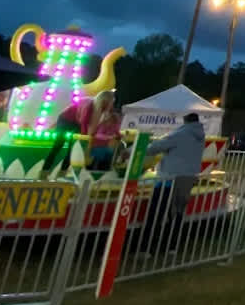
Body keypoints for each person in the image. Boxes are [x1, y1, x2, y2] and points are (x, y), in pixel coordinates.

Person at [139, 111, 206, 257]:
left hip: (169, 179)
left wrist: (134, 151)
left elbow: (156, 147)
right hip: (187, 179)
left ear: (185, 120)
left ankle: (146, 248)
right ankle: (171, 247)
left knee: (156, 214)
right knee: (176, 215)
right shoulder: (200, 135)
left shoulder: (180, 134)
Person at [40, 90, 113, 179]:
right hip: (65, 119)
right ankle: (44, 172)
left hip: (76, 122)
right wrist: (85, 139)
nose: (109, 105)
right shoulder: (89, 105)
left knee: (72, 149)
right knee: (58, 145)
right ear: (103, 100)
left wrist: (89, 138)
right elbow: (84, 122)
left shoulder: (101, 109)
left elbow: (91, 127)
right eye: (108, 103)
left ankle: (61, 174)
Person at [88, 105, 123, 172]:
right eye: (112, 121)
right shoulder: (103, 125)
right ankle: (94, 169)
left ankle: (105, 169)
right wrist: (110, 137)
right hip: (97, 145)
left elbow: (117, 133)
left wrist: (119, 136)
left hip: (105, 146)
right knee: (100, 155)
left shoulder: (114, 126)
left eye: (115, 122)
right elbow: (98, 135)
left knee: (110, 154)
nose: (113, 124)